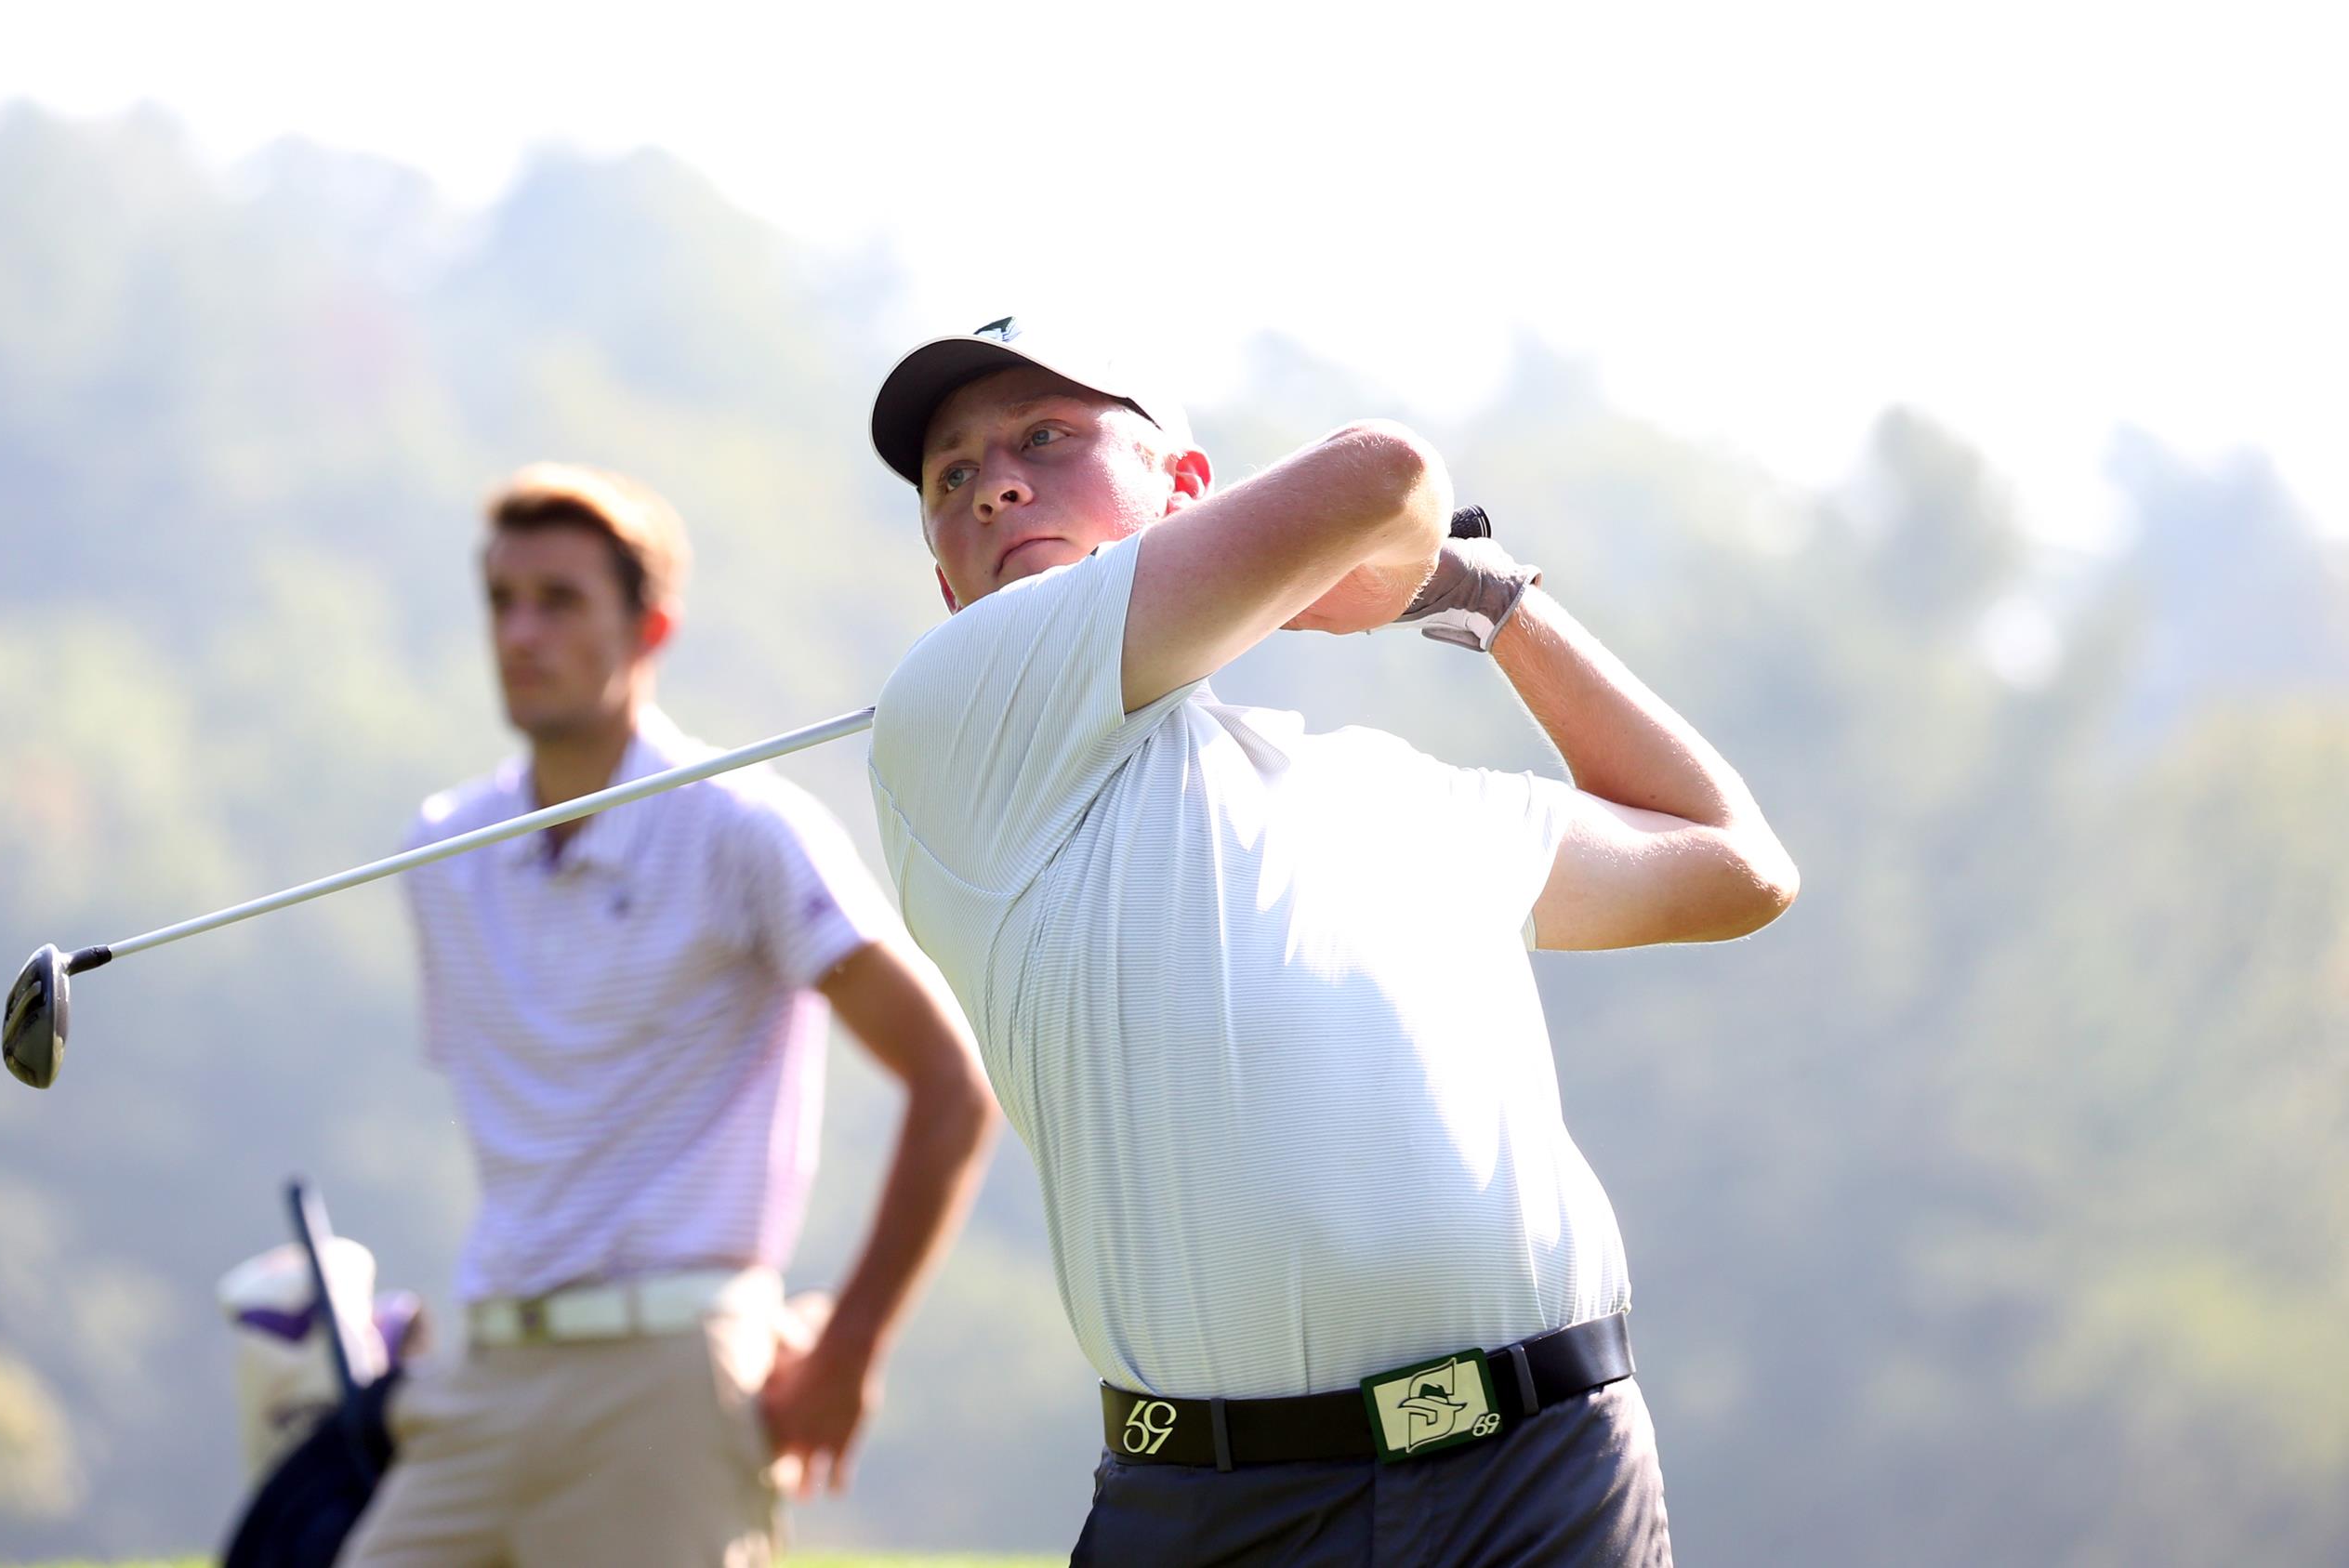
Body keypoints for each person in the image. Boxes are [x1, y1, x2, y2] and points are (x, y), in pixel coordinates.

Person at [862, 319, 1800, 1565]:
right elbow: (1386, 479)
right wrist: (1346, 571)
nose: (997, 484)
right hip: (1223, 1505)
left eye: (1045, 437)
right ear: (944, 579)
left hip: (1543, 1469)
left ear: (1186, 491)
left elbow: (1738, 863)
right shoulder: (955, 723)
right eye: (952, 479)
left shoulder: (1384, 791)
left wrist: (1490, 599)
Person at [340, 462, 996, 1568]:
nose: (521, 633)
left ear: (651, 627)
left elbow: (950, 1085)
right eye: (503, 602)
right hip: (481, 1373)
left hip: (667, 1383)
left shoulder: (742, 826)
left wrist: (849, 1344)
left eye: (560, 601)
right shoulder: (440, 849)